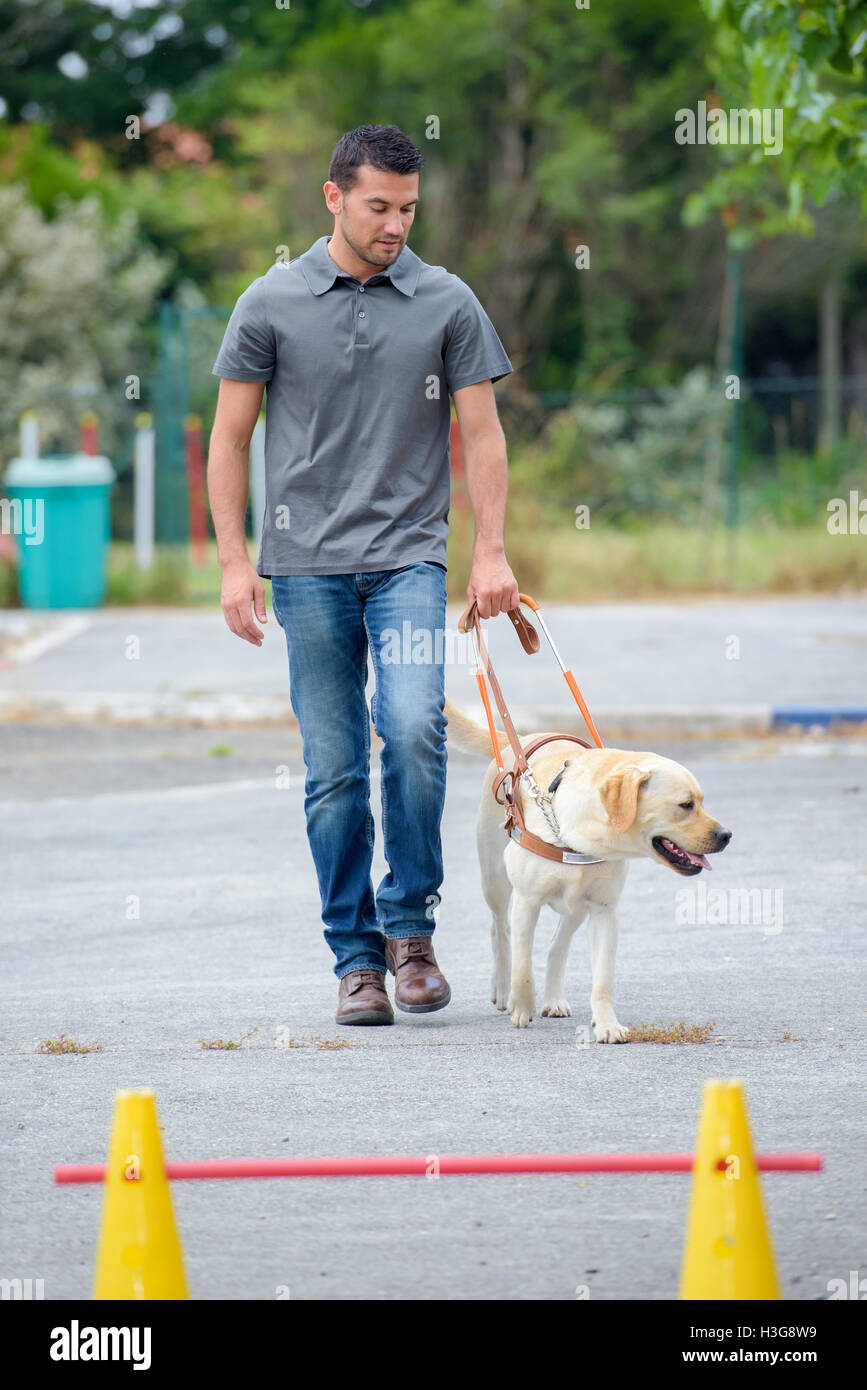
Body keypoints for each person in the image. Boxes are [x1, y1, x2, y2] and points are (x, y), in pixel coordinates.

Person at [207, 124, 519, 1025]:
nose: (394, 225)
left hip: (408, 559)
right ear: (333, 197)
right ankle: (355, 960)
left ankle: (411, 929)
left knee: (416, 728)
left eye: (408, 208)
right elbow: (229, 440)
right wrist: (235, 562)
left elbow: (482, 432)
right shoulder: (269, 301)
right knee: (334, 769)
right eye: (378, 206)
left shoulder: (446, 301)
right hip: (304, 568)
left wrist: (489, 550)